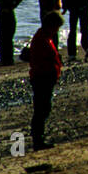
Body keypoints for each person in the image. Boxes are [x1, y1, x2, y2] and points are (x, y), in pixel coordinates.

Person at [28, 10, 63, 151]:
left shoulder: (45, 37)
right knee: (41, 109)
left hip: (45, 77)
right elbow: (41, 60)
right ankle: (38, 140)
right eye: (56, 28)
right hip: (42, 78)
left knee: (43, 108)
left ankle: (39, 138)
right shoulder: (41, 39)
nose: (56, 31)